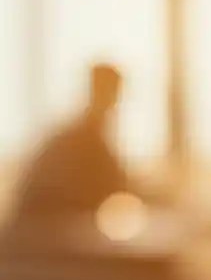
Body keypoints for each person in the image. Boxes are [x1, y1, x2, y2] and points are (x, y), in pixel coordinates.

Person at [4, 64, 128, 249]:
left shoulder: (84, 131)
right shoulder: (84, 136)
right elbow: (115, 184)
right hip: (40, 238)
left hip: (39, 236)